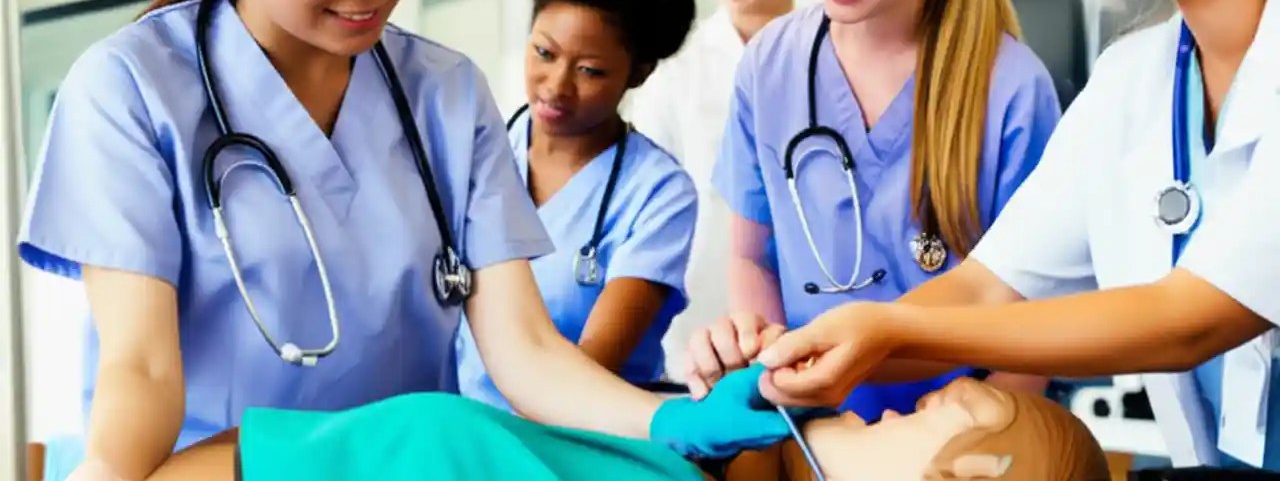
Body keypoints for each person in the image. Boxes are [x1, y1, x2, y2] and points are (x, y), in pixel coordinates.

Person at [15, 0, 808, 480]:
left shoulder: (445, 94)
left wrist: (668, 419)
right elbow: (141, 373)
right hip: (225, 469)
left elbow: (524, 351)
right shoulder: (131, 92)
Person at [709, 0, 1280, 472]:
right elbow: (988, 285)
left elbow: (1191, 321)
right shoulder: (1130, 84)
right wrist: (807, 355)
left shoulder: (1014, 85)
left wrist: (882, 337)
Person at [682, 0, 1063, 421]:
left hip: (953, 443)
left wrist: (967, 446)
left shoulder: (1011, 90)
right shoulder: (771, 66)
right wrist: (767, 364)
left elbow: (1040, 318)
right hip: (808, 434)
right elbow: (753, 255)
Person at [456, 0, 698, 409]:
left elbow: (589, 372)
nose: (556, 86)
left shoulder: (657, 194)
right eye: (544, 52)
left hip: (575, 443)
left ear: (640, 72)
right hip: (458, 436)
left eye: (590, 70)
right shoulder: (471, 153)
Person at [74, 369, 1110, 481]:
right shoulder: (771, 444)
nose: (914, 400)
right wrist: (710, 414)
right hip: (426, 443)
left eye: (937, 410)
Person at [628, 0, 805, 384]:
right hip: (701, 300)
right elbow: (646, 185)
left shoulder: (826, 47)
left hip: (808, 289)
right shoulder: (679, 67)